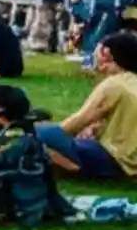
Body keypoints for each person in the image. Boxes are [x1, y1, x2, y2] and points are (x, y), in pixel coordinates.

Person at [35, 32, 137, 180]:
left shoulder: (113, 85)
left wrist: (48, 130)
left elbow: (74, 124)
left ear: (105, 54)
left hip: (120, 161)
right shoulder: (130, 82)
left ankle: (73, 167)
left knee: (39, 134)